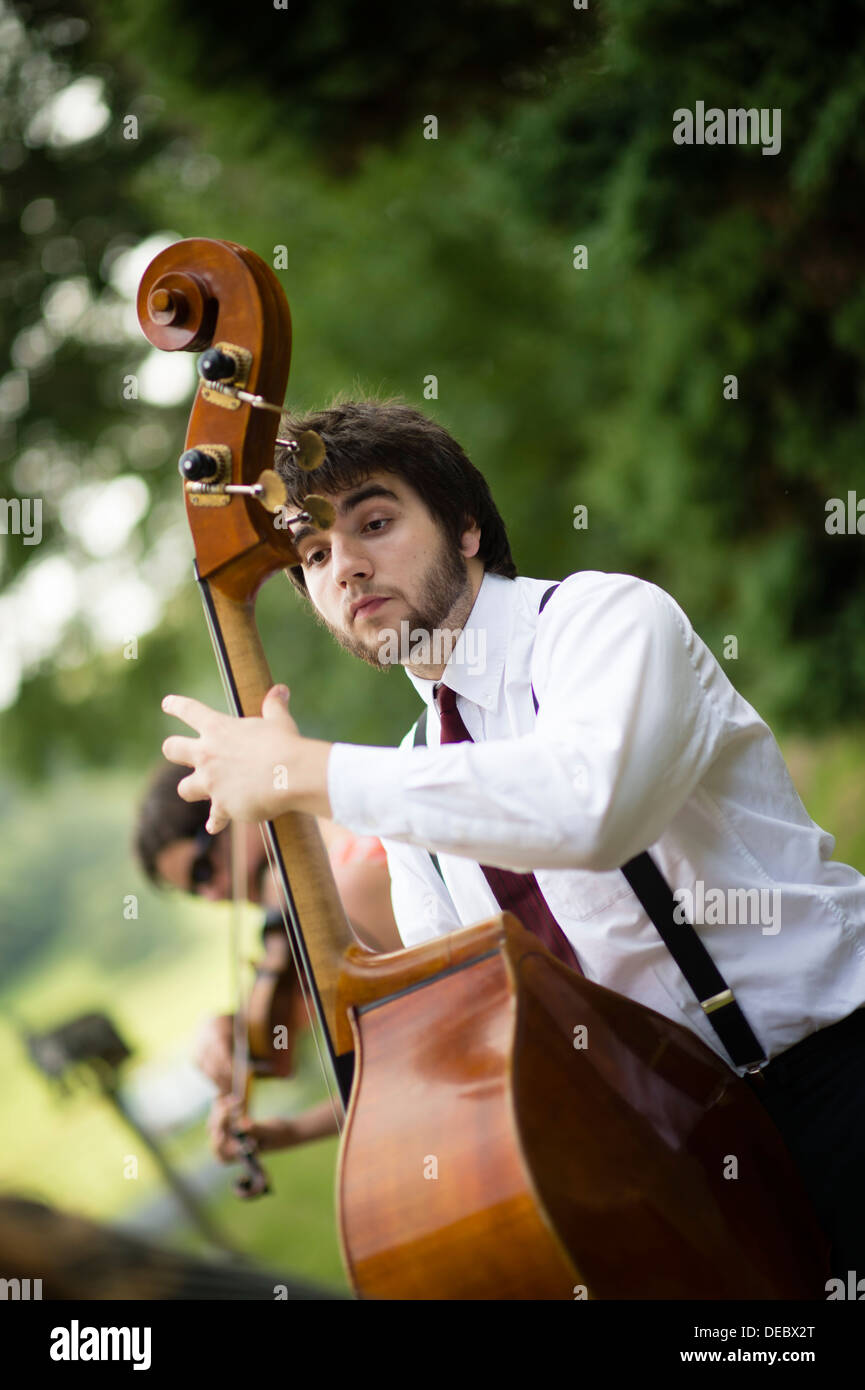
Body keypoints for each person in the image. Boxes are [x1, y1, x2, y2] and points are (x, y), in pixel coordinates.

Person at [160, 397, 865, 1282]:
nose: (344, 566)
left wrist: (307, 773)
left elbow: (588, 807)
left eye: (373, 522)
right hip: (680, 1160)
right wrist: (321, 1117)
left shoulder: (603, 623)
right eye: (311, 555)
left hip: (833, 1073)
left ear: (463, 528)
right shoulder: (416, 776)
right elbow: (484, 1039)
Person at [134, 762, 400, 1163]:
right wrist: (229, 1028)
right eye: (196, 893)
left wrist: (292, 1128)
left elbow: (413, 1070)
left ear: (227, 805)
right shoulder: (318, 901)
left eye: (205, 869)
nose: (215, 896)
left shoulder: (348, 887)